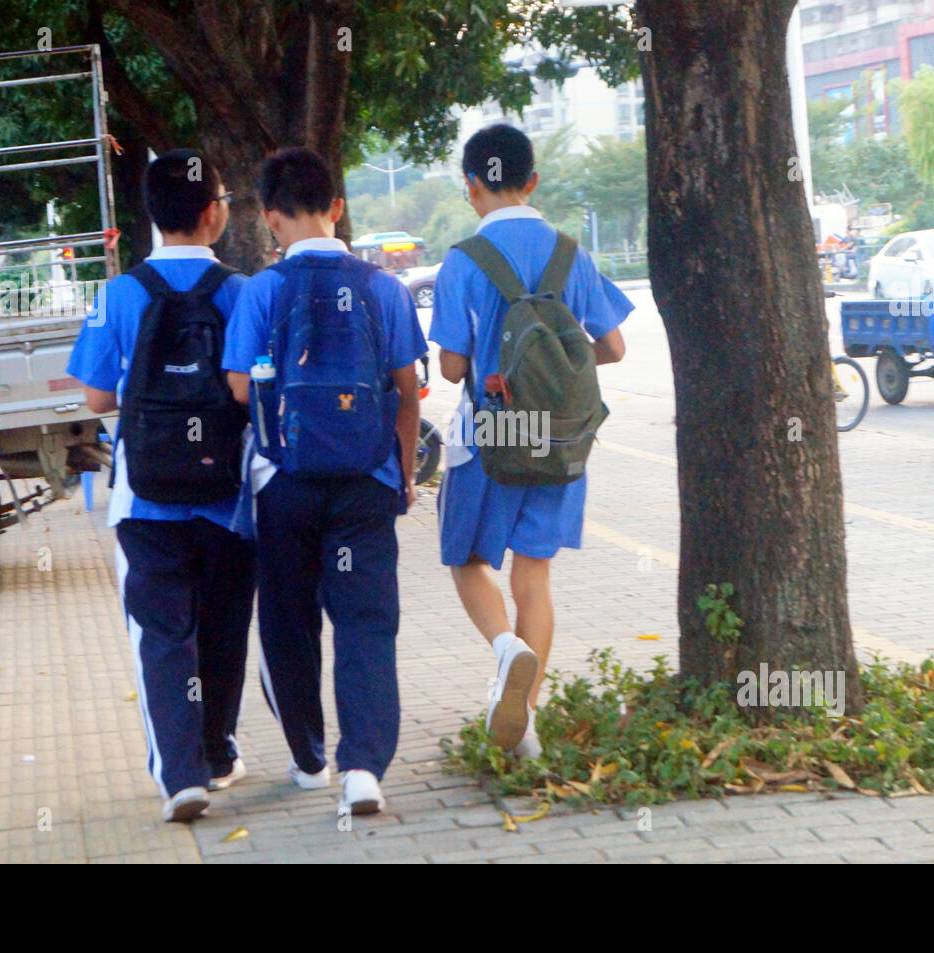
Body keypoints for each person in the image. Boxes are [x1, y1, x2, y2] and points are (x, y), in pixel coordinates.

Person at [223, 147, 425, 818]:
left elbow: (237, 385)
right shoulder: (383, 289)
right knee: (366, 619)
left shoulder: (262, 290)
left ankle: (309, 754)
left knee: (288, 618)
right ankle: (363, 766)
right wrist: (403, 474)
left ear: (271, 216)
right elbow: (407, 390)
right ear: (336, 207)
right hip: (367, 478)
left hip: (284, 481)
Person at [430, 124, 632, 759]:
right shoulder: (571, 253)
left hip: (490, 432)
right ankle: (530, 726)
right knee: (534, 576)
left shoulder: (464, 260)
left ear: (471, 186)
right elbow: (614, 348)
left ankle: (503, 650)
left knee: (465, 559)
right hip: (561, 437)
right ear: (532, 181)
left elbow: (454, 369)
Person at [67, 149, 255, 823]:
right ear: (212, 215)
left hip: (145, 497)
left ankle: (180, 775)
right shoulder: (240, 292)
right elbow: (251, 390)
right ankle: (218, 752)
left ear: (153, 215)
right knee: (225, 627)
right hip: (228, 497)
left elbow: (95, 397)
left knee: (163, 633)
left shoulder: (119, 293)